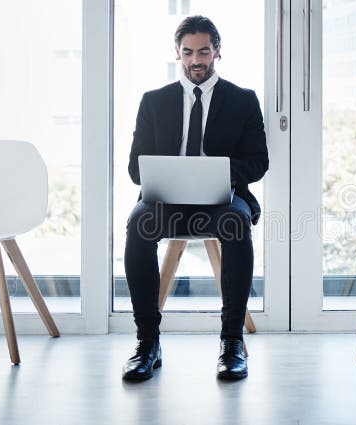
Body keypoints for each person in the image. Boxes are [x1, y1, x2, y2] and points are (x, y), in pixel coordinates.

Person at [122, 15, 268, 381]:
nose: (196, 60)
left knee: (235, 223)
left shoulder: (243, 100)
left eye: (204, 51)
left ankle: (231, 343)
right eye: (188, 52)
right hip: (166, 203)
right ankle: (147, 343)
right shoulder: (154, 102)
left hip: (221, 201)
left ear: (218, 51)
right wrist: (167, 174)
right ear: (177, 53)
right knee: (139, 223)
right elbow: (136, 169)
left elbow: (258, 163)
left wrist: (220, 172)